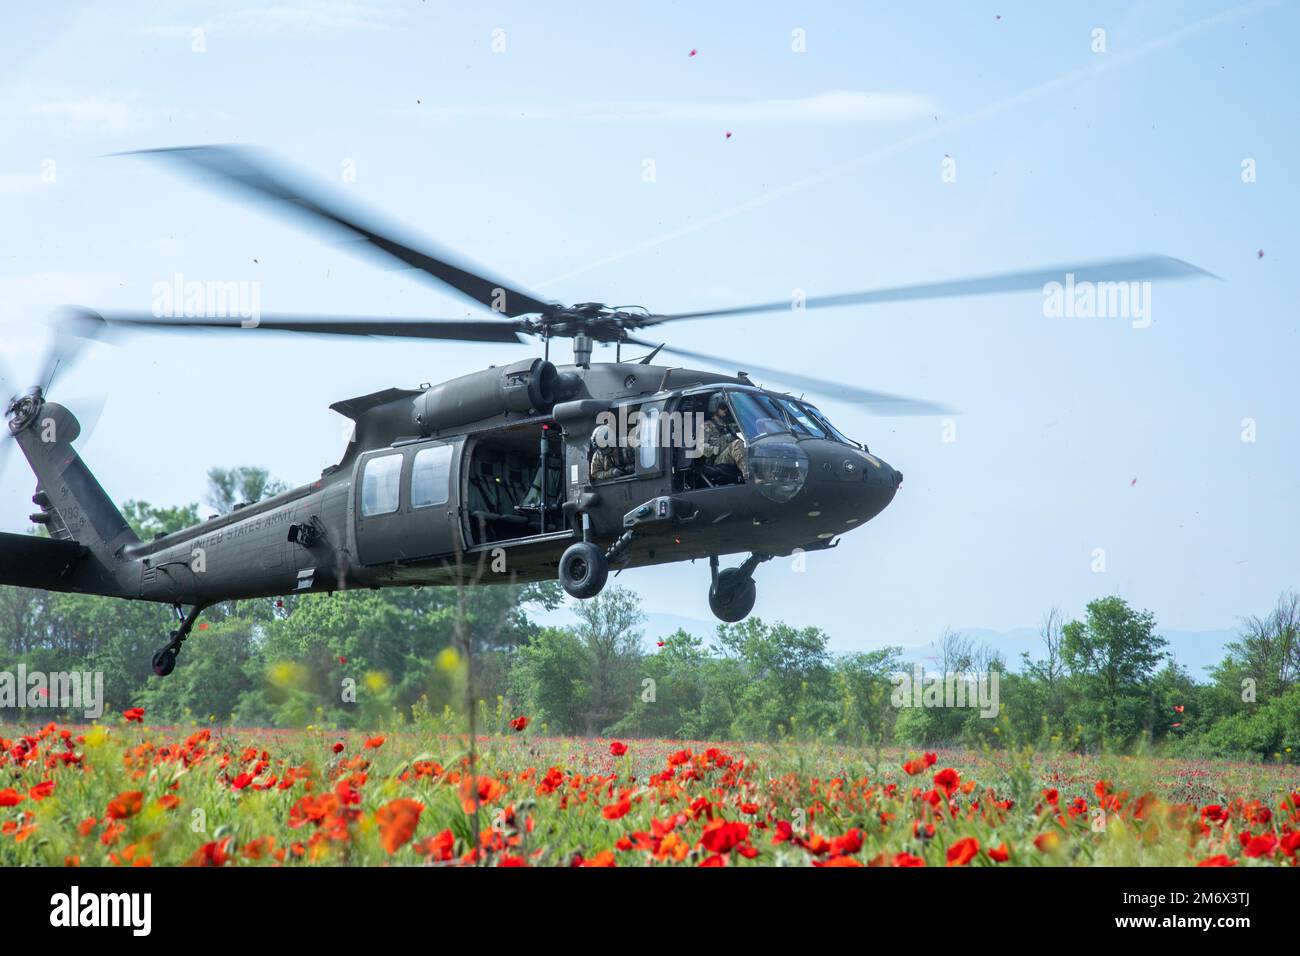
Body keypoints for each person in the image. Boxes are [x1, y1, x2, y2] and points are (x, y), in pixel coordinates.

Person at [699, 393, 748, 480]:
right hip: (717, 460)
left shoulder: (728, 426)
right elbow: (703, 449)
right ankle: (749, 476)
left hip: (731, 455)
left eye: (727, 407)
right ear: (715, 407)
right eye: (723, 406)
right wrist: (721, 444)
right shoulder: (706, 426)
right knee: (737, 444)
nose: (726, 409)